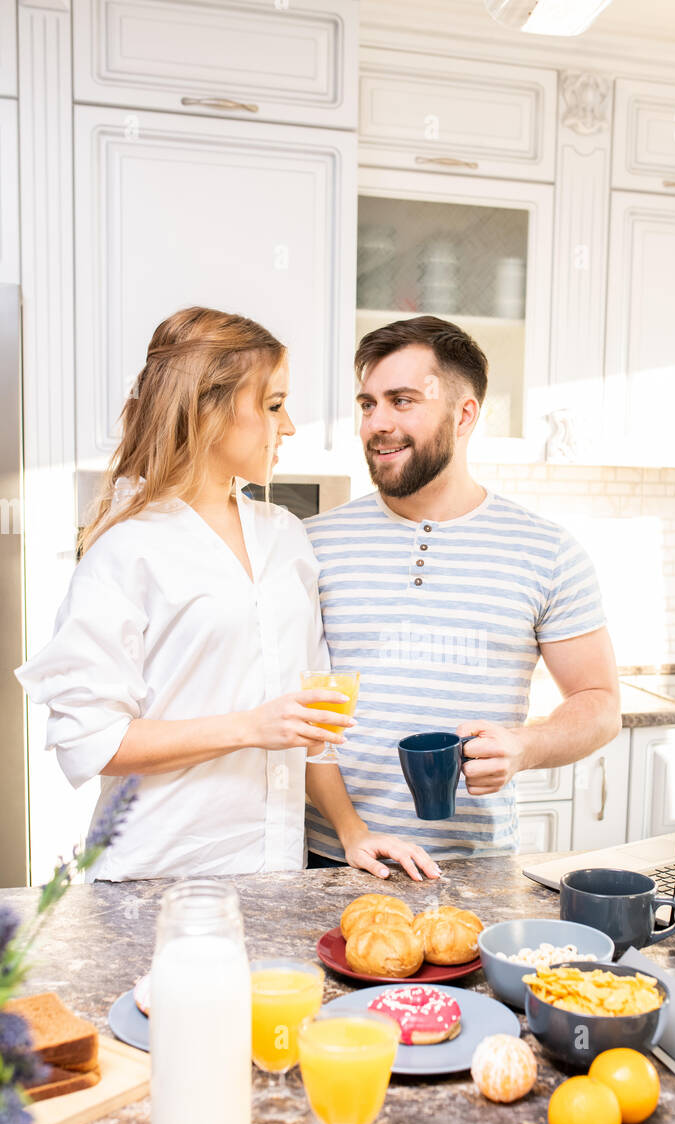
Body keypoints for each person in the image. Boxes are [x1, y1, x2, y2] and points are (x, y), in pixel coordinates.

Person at [15, 307, 439, 883]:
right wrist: (249, 727)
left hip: (275, 873)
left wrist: (352, 831)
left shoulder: (286, 536)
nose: (288, 425)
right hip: (155, 877)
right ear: (207, 410)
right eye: (272, 405)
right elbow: (92, 742)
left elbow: (311, 720)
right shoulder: (127, 549)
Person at [304, 315, 621, 864]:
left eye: (402, 400)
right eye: (367, 404)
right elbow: (292, 711)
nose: (377, 422)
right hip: (328, 859)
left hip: (475, 866)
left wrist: (524, 746)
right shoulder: (312, 544)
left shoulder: (547, 552)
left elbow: (599, 704)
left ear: (464, 415)